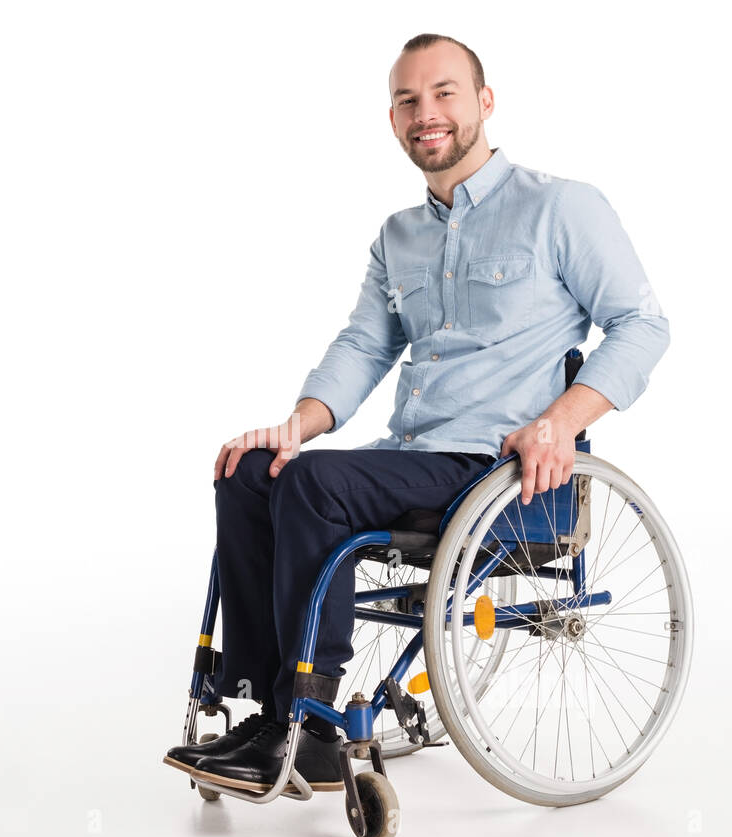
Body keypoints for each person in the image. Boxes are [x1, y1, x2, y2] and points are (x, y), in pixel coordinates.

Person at [164, 33, 670, 793]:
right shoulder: (397, 237)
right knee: (252, 473)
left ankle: (310, 722)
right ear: (393, 119)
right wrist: (293, 427)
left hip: (496, 471)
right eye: (407, 100)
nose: (425, 113)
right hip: (410, 458)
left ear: (484, 103)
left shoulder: (562, 208)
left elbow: (643, 324)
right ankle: (258, 712)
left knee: (313, 488)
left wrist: (560, 421)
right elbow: (364, 344)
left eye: (443, 94)